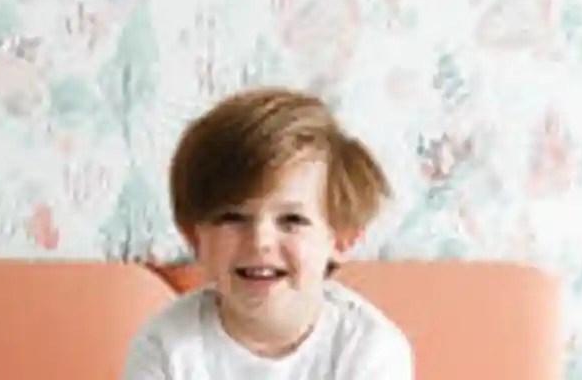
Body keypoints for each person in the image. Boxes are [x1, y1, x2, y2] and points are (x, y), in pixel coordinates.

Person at [123, 86, 413, 379]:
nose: (260, 242)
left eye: (291, 220)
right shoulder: (164, 347)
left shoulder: (370, 349)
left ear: (341, 238)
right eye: (232, 217)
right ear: (195, 237)